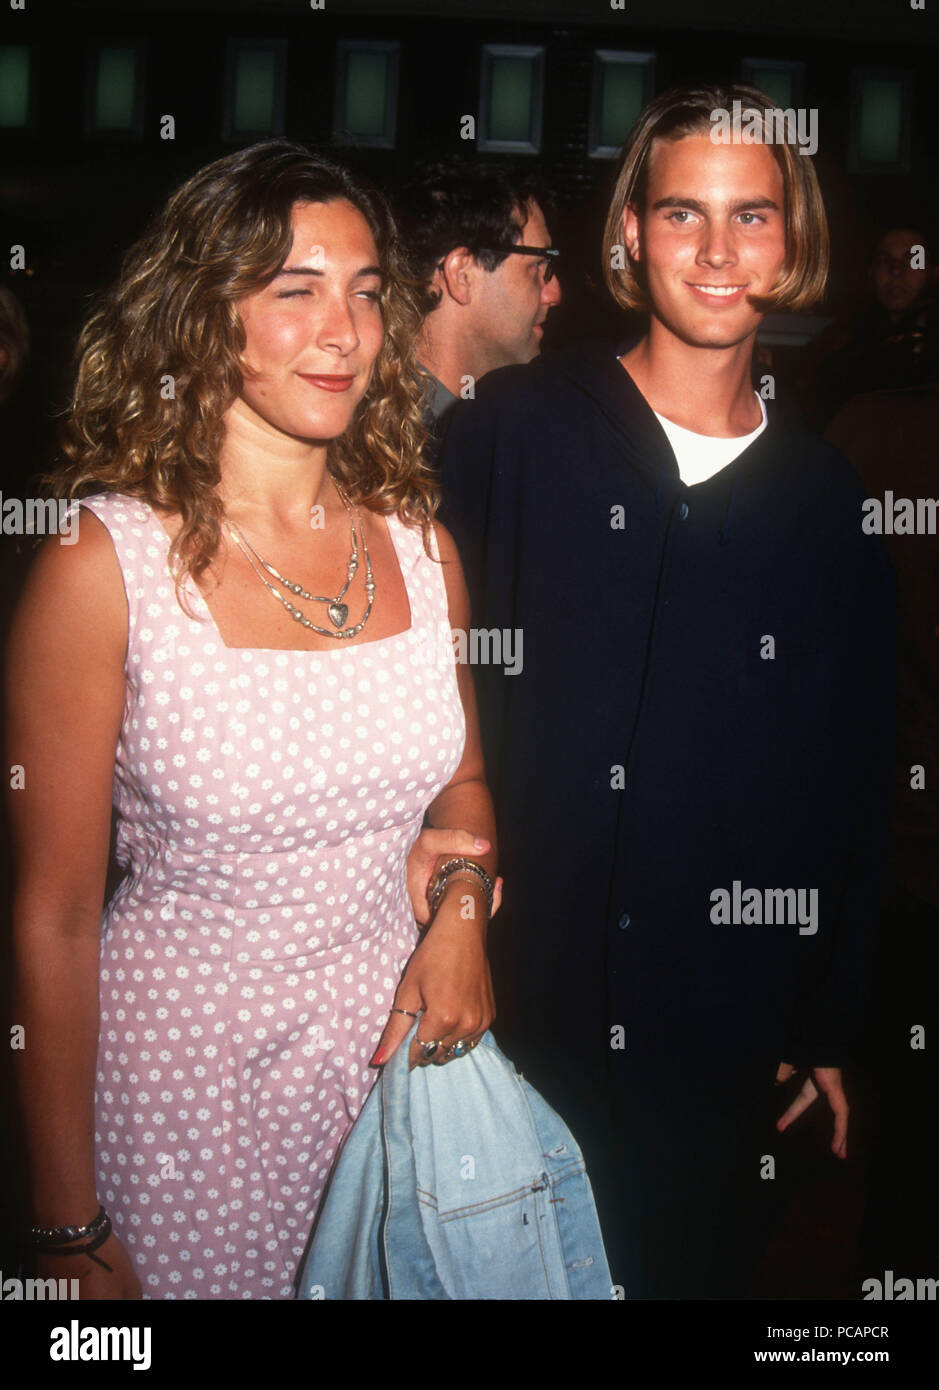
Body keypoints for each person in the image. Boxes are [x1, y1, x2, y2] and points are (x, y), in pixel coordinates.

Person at [4, 139, 500, 1300]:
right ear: (199, 316)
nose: (346, 329)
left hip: (386, 1073)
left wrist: (464, 909)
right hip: (185, 1088)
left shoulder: (426, 552)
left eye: (368, 292)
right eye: (295, 290)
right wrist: (62, 1225)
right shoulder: (103, 564)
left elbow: (465, 786)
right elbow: (55, 919)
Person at [437, 83, 896, 1298]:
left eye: (752, 215)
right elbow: (416, 692)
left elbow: (853, 779)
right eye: (682, 211)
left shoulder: (829, 503)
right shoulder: (511, 432)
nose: (716, 249)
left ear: (791, 240)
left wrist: (829, 1017)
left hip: (715, 1028)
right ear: (630, 233)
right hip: (504, 1006)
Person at [394, 165, 562, 452]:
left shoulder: (481, 428)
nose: (555, 293)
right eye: (538, 265)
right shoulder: (392, 449)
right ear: (462, 275)